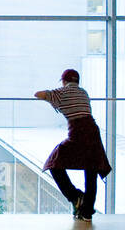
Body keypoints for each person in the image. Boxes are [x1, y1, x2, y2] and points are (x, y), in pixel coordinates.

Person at [36, 69, 111, 221]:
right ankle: (87, 211)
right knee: (91, 170)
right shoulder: (84, 93)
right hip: (93, 132)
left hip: (78, 132)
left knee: (54, 162)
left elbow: (38, 94)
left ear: (64, 81)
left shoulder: (62, 93)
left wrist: (50, 97)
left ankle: (75, 196)